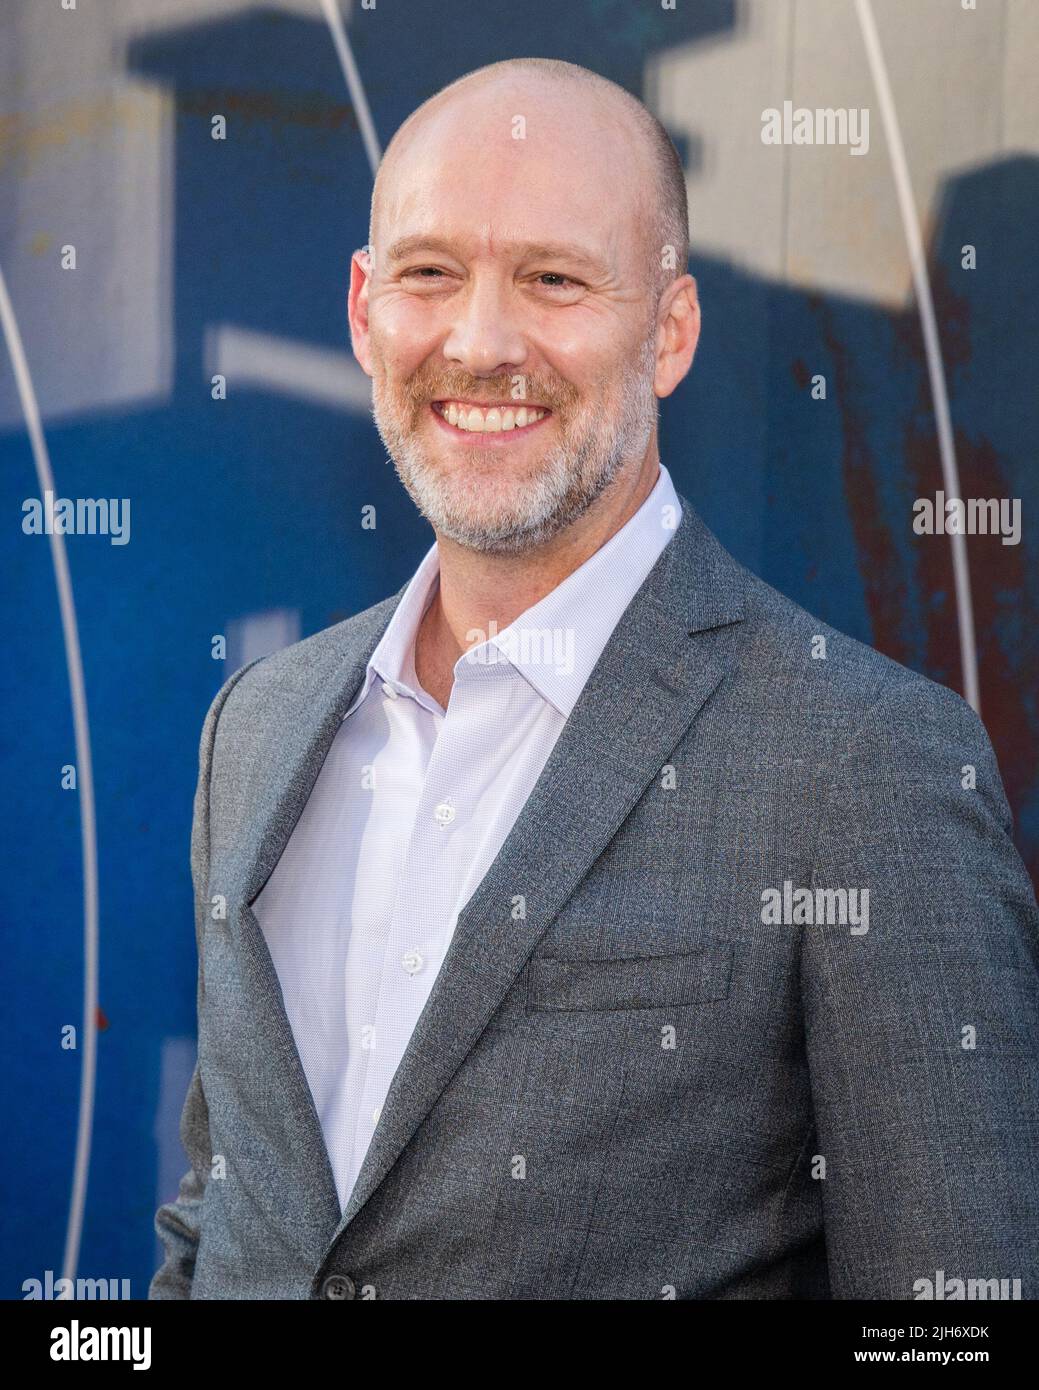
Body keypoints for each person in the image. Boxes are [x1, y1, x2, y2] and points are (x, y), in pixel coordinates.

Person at [150, 57, 1039, 1300]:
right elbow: (228, 1210)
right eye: (429, 274)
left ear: (668, 331)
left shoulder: (865, 764)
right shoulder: (259, 722)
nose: (481, 341)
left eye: (555, 279)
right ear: (363, 310)